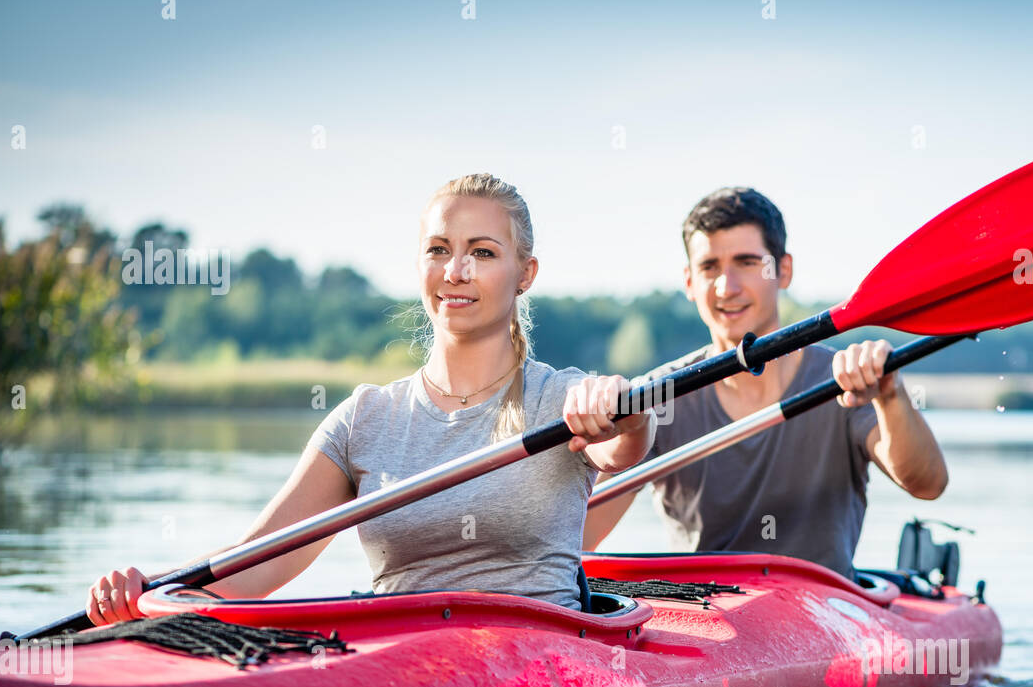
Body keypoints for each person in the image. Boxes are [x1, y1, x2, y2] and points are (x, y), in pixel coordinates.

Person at [87, 173, 654, 622]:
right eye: (439, 249)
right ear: (419, 265)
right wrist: (148, 593)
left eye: (482, 253)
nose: (456, 271)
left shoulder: (562, 399)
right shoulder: (365, 419)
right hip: (404, 672)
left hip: (542, 674)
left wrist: (624, 411)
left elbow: (628, 447)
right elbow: (250, 565)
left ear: (525, 273)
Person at [583, 187, 946, 580]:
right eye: (709, 267)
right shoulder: (660, 395)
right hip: (708, 620)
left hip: (827, 614)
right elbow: (576, 538)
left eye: (747, 262)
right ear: (689, 281)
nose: (727, 287)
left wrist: (890, 396)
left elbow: (926, 484)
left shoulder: (843, 379)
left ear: (783, 271)